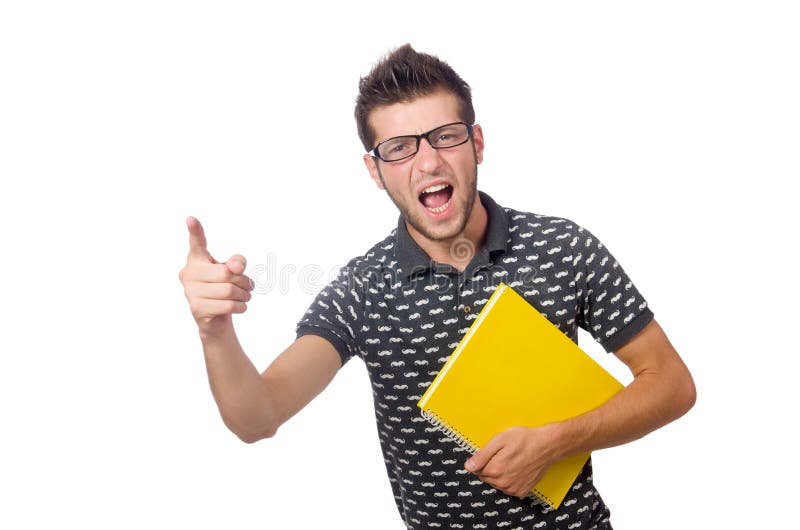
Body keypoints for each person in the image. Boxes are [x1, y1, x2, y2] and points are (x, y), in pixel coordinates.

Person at [179, 44, 696, 529]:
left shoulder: (565, 247)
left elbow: (672, 384)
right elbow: (258, 416)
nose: (428, 162)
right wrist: (214, 332)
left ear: (476, 142)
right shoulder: (364, 289)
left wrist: (558, 441)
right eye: (399, 148)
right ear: (376, 171)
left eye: (446, 135)